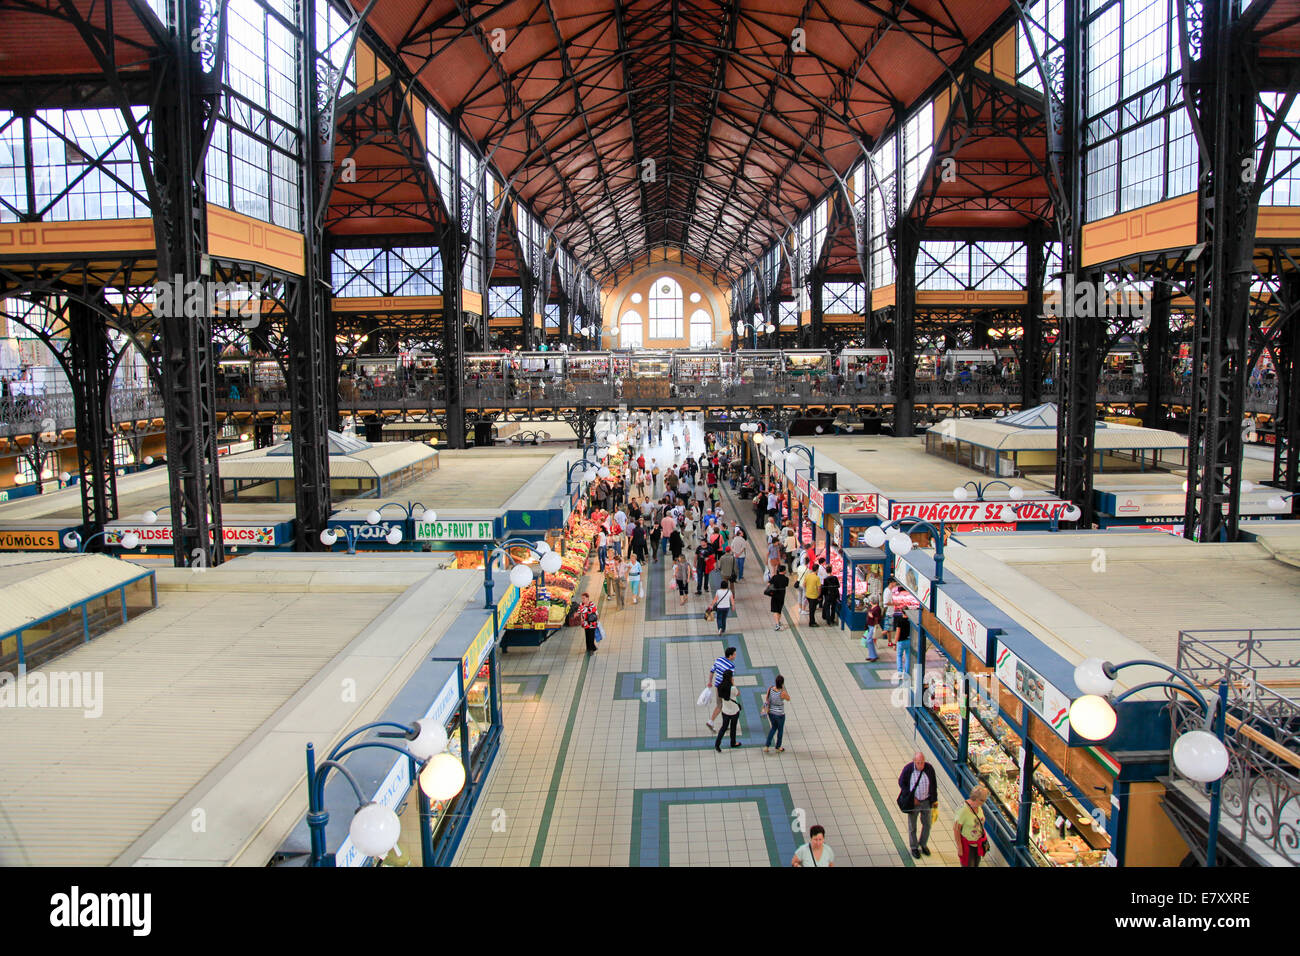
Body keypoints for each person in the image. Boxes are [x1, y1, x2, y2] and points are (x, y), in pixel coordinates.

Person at [898, 752, 939, 859]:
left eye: (922, 762)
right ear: (914, 762)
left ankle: (923, 844)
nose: (921, 765)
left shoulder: (929, 769)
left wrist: (934, 800)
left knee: (928, 824)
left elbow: (933, 785)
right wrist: (911, 798)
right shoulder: (908, 769)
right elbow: (902, 783)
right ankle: (914, 847)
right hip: (914, 802)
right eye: (918, 763)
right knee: (912, 826)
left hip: (926, 801)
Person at [954, 786, 991, 867]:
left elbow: (981, 821)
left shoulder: (979, 807)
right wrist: (960, 847)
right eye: (982, 800)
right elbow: (956, 830)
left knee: (976, 864)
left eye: (985, 800)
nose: (983, 803)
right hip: (967, 845)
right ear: (976, 798)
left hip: (978, 844)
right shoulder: (963, 811)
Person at [705, 647, 738, 731]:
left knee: (720, 705)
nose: (735, 655)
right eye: (734, 654)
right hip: (726, 688)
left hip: (718, 686)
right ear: (730, 656)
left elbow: (712, 671)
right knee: (724, 706)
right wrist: (734, 687)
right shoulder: (731, 666)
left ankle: (714, 722)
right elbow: (731, 679)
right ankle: (716, 723)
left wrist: (710, 682)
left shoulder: (719, 659)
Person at [713, 670, 743, 751]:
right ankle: (733, 743)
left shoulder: (720, 686)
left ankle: (717, 744)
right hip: (734, 711)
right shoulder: (732, 688)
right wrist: (733, 683)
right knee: (733, 728)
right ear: (730, 677)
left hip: (725, 711)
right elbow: (738, 693)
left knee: (724, 727)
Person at [762, 675, 790, 753]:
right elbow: (788, 699)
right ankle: (778, 746)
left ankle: (767, 746)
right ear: (782, 683)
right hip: (780, 714)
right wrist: (783, 688)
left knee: (773, 728)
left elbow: (767, 698)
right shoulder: (782, 692)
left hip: (771, 713)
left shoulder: (770, 688)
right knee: (780, 730)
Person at [767, 564, 789, 631]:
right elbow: (786, 585)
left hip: (775, 594)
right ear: (784, 571)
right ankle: (778, 622)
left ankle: (777, 624)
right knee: (779, 609)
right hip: (782, 595)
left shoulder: (774, 577)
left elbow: (768, 584)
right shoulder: (786, 579)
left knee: (775, 610)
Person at [894, 607, 913, 682]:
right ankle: (907, 673)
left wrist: (895, 643)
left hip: (901, 642)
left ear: (902, 612)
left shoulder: (900, 620)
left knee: (899, 656)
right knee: (908, 657)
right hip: (908, 640)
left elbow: (898, 633)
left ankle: (900, 672)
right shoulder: (910, 621)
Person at [802, 561, 822, 627]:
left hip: (808, 595)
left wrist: (809, 588)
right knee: (812, 610)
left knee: (811, 608)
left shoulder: (808, 576)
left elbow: (804, 584)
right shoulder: (817, 578)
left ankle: (812, 621)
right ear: (817, 570)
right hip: (814, 596)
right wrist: (819, 595)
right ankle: (812, 622)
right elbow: (819, 588)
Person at [863, 597, 882, 662]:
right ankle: (873, 655)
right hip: (870, 626)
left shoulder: (877, 609)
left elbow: (877, 618)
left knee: (869, 640)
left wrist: (871, 616)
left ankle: (873, 656)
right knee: (870, 641)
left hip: (873, 626)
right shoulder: (873, 608)